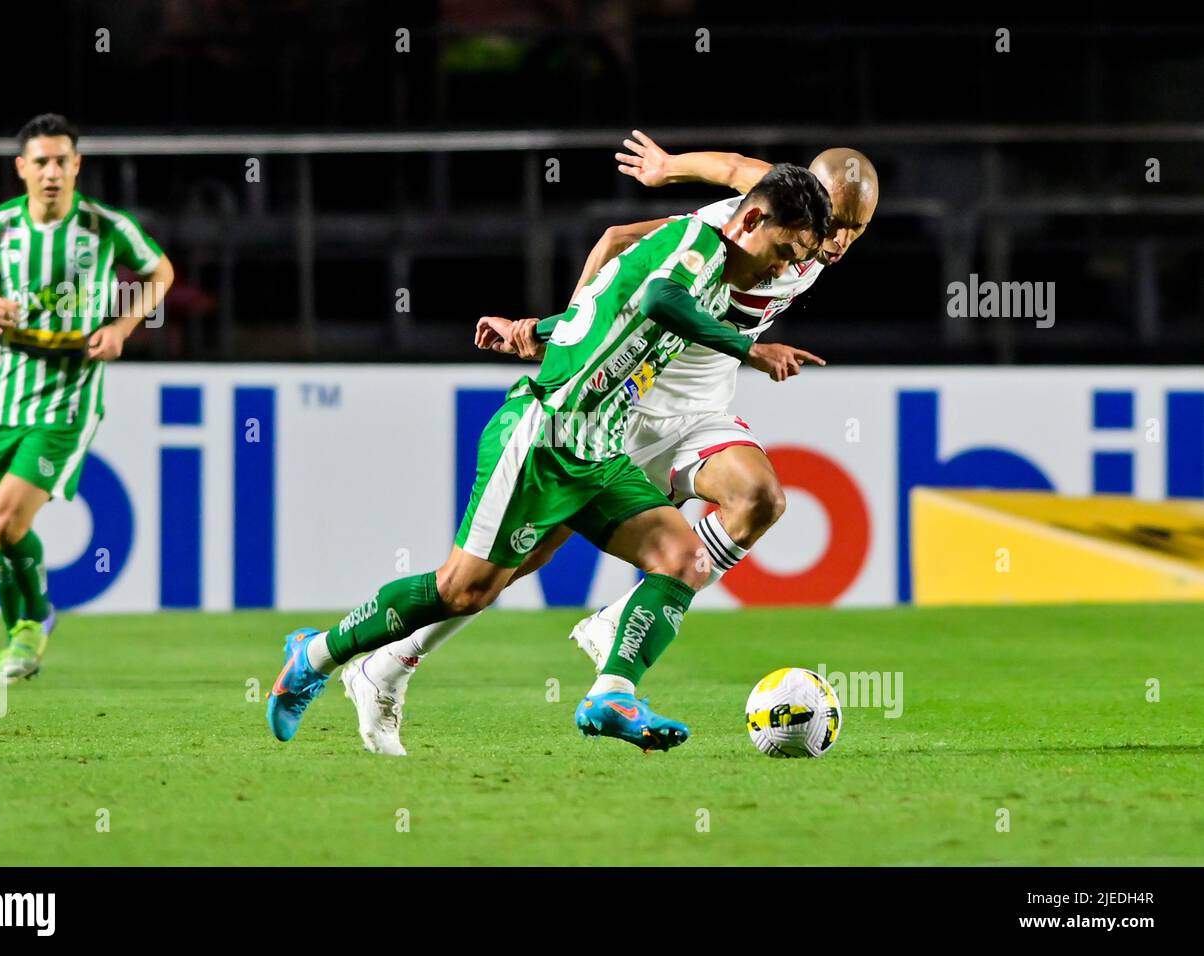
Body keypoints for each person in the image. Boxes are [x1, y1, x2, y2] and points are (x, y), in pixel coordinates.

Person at [267, 165, 832, 753]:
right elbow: (657, 296)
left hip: (601, 446)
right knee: (464, 590)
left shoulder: (716, 279)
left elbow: (605, 311)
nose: (785, 270)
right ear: (751, 219)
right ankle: (314, 655)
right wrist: (749, 348)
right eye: (786, 251)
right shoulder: (696, 245)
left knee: (683, 557)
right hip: (544, 437)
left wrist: (534, 328)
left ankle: (612, 693)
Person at [0, 113, 175, 683]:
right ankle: (26, 629)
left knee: (3, 515)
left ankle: (32, 625)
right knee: (1, 529)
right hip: (5, 395)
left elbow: (160, 271)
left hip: (69, 397)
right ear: (22, 168)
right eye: (40, 161)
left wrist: (121, 327)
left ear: (76, 165)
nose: (51, 172)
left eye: (61, 160)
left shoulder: (104, 226)